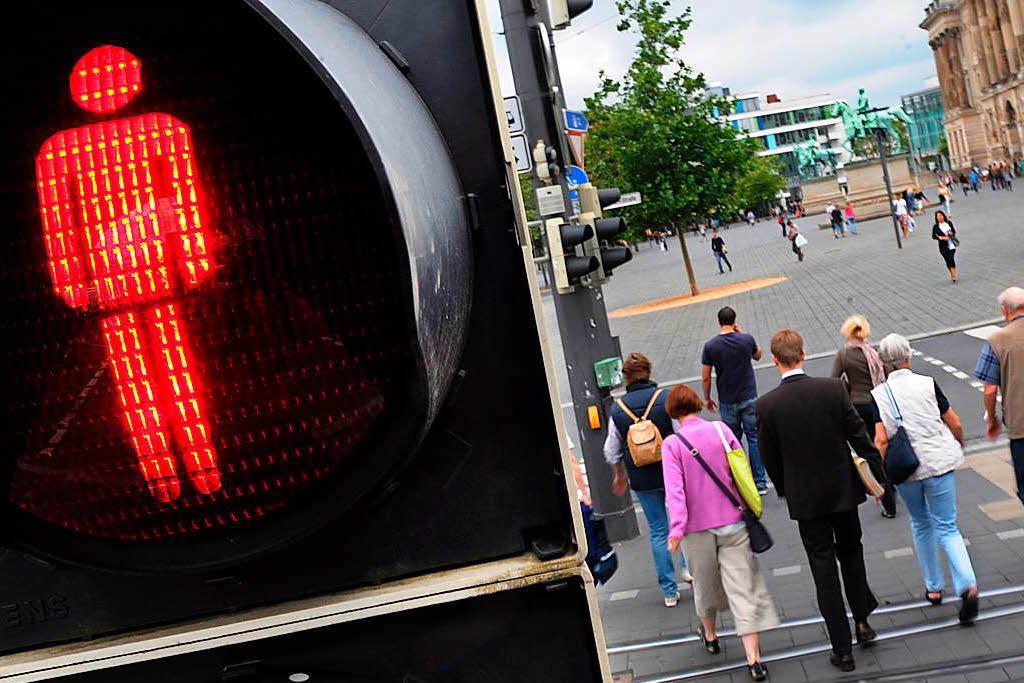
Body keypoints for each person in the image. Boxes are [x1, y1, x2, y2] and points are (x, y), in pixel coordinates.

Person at [756, 329, 884, 673]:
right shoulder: (832, 390)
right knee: (852, 554)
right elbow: (858, 435)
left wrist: (786, 489)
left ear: (775, 360)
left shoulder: (767, 405)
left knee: (822, 568)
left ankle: (842, 649)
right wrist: (879, 477)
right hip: (843, 490)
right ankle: (862, 623)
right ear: (803, 353)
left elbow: (769, 457)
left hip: (806, 499)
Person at [663, 384, 778, 681]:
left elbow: (675, 492)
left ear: (673, 413)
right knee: (744, 587)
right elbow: (741, 470)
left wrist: (676, 529)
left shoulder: (672, 444)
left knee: (704, 584)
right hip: (734, 521)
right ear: (697, 405)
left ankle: (711, 637)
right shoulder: (721, 430)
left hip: (695, 530)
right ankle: (754, 659)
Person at [870, 334, 979, 625]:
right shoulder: (928, 383)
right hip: (939, 462)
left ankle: (934, 587)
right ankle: (967, 584)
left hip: (906, 468)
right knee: (948, 526)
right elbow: (954, 421)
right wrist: (958, 443)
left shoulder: (879, 395)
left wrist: (881, 476)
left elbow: (881, 439)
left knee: (920, 523)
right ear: (908, 356)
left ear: (884, 362)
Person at [606, 352, 692, 606]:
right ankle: (689, 569)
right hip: (672, 472)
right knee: (682, 520)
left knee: (658, 530)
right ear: (648, 371)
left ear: (626, 378)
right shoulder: (665, 398)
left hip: (641, 478)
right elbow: (681, 435)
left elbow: (611, 450)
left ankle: (669, 591)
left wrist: (619, 475)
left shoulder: (618, 409)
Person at [831, 315, 896, 518]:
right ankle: (892, 483)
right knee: (884, 443)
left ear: (847, 333)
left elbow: (834, 380)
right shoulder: (874, 352)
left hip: (858, 406)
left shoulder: (844, 354)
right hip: (879, 402)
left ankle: (884, 493)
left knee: (870, 452)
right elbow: (888, 373)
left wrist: (847, 387)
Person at [702, 306, 769, 494]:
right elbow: (758, 355)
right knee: (754, 438)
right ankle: (760, 482)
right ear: (734, 320)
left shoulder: (710, 346)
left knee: (732, 442)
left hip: (727, 400)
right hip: (749, 396)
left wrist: (707, 397)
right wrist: (741, 333)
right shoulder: (746, 339)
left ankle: (740, 482)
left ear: (719, 322)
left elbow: (706, 376)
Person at [975, 287, 1024, 504]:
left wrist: (992, 418)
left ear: (1005, 310)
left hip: (1020, 426)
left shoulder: (997, 341)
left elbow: (990, 389)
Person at [931, 210, 958, 284]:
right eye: (938, 216)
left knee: (951, 259)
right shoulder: (936, 226)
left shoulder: (948, 223)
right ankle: (951, 273)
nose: (939, 217)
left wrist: (951, 233)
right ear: (936, 218)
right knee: (947, 261)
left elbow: (954, 231)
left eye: (940, 215)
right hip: (943, 246)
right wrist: (941, 238)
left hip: (951, 245)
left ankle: (954, 275)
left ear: (943, 216)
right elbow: (933, 236)